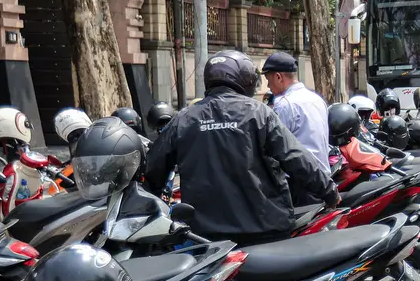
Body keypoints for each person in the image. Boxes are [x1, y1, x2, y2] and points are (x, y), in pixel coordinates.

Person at [144, 50, 339, 244]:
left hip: (206, 238)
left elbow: (153, 170)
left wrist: (146, 204)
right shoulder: (259, 113)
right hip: (265, 230)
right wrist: (329, 192)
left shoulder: (184, 118)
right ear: (244, 79)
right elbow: (296, 158)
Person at [263, 51, 329, 169]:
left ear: (278, 77)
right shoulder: (317, 99)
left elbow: (276, 147)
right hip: (323, 177)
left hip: (300, 180)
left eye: (268, 80)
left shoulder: (284, 104)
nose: (268, 86)